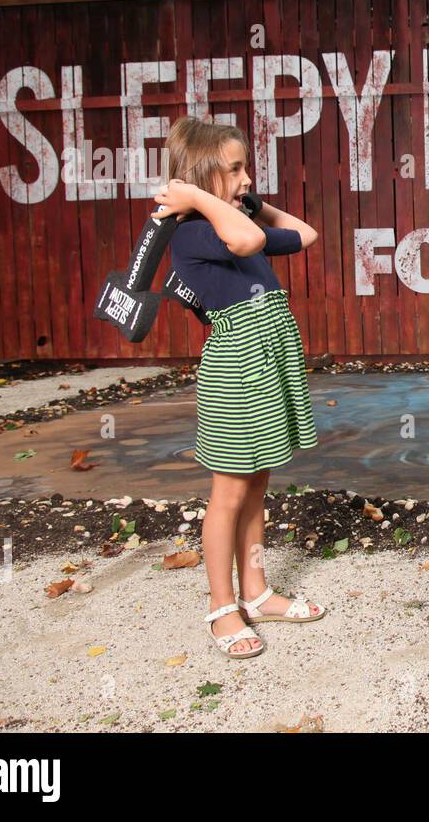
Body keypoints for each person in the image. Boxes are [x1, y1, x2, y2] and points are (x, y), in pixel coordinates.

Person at [154, 116, 326, 659]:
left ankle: (257, 590)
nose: (247, 177)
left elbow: (304, 234)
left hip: (267, 359)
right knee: (229, 493)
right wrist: (202, 201)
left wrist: (246, 197)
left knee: (256, 485)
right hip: (237, 368)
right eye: (235, 169)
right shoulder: (195, 232)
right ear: (200, 177)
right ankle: (222, 607)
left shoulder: (229, 223)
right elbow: (247, 237)